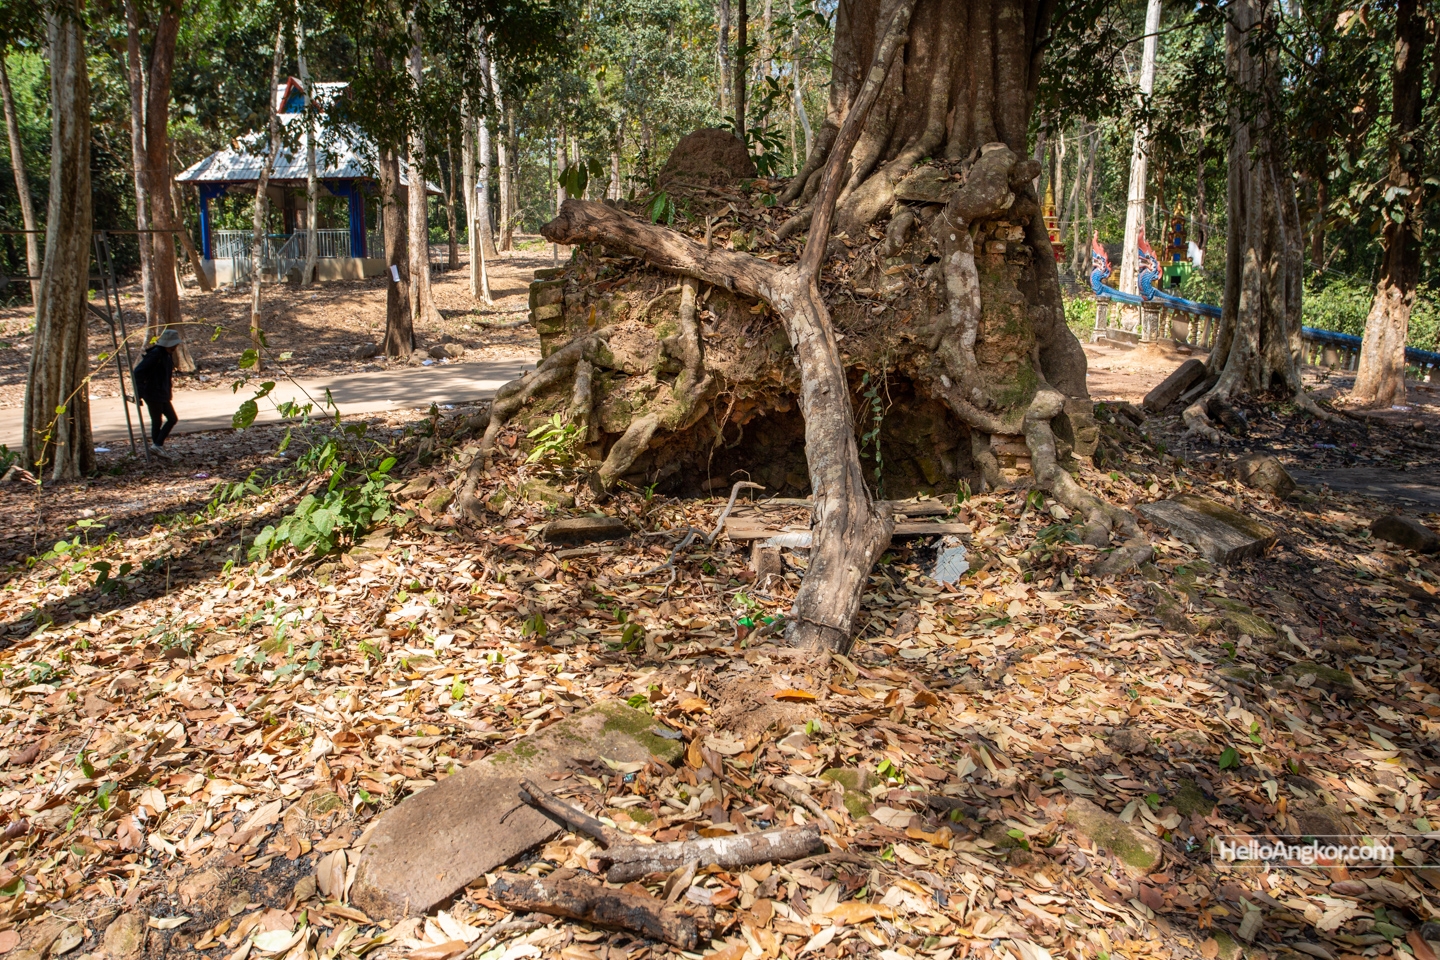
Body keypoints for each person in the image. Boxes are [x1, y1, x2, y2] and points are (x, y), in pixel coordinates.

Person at [132, 329, 181, 457]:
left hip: (162, 393)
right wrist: (139, 392)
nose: (175, 348)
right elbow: (138, 372)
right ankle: (157, 445)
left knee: (168, 419)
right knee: (163, 419)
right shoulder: (155, 354)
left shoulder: (166, 354)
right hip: (152, 393)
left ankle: (157, 446)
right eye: (173, 345)